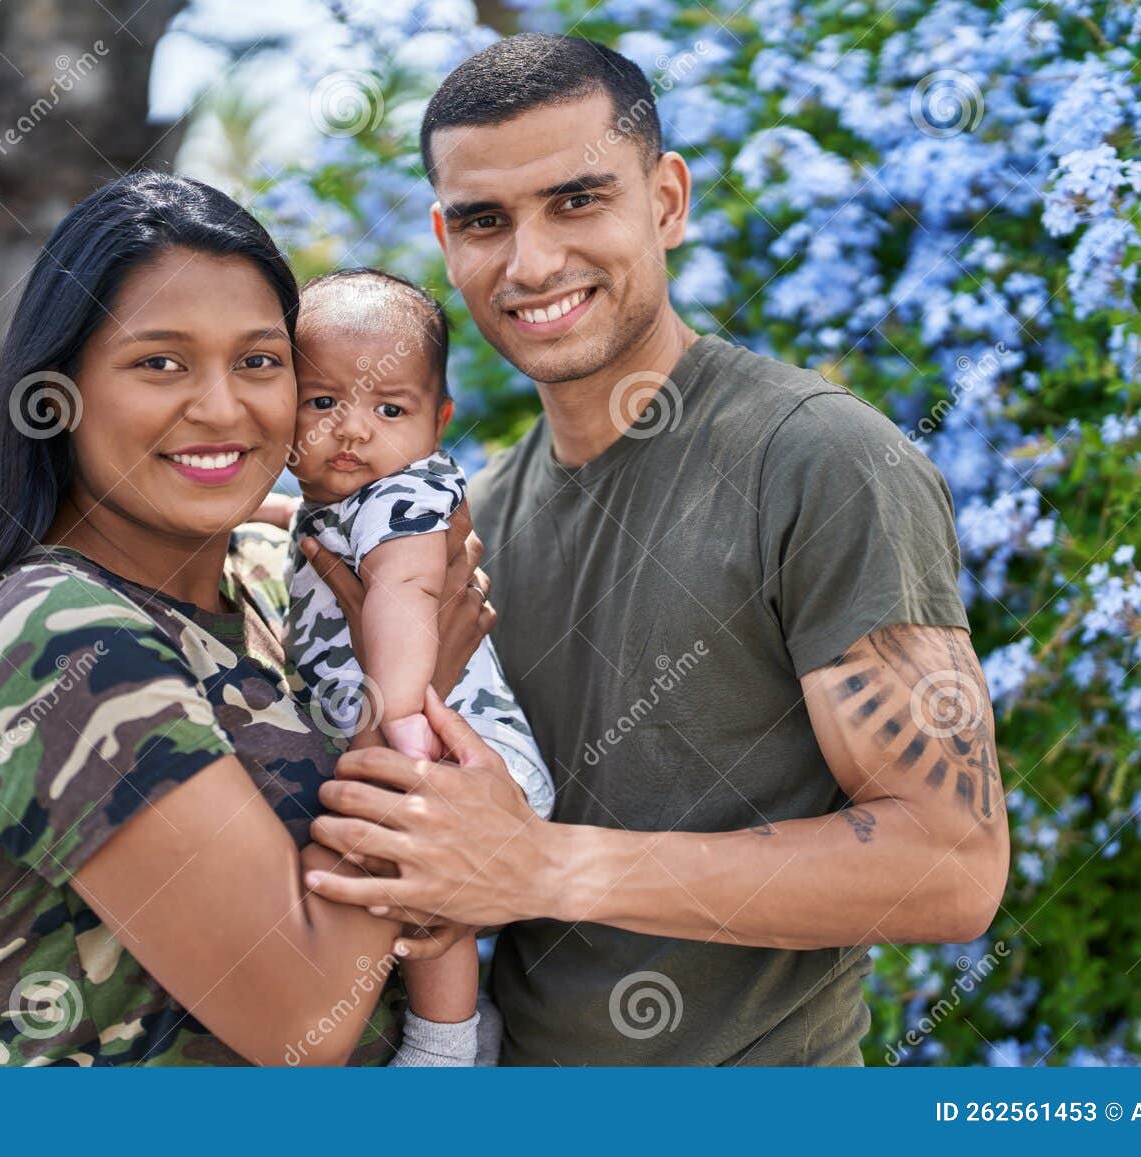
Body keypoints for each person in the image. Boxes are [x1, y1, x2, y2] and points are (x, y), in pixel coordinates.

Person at [302, 34, 1012, 1065]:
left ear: (667, 201)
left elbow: (950, 866)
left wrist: (544, 866)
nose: (531, 262)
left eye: (576, 200)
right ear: (446, 241)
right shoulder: (469, 521)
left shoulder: (818, 458)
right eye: (486, 220)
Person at [0, 172, 494, 1065]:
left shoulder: (269, 580)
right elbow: (300, 1024)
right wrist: (407, 696)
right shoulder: (57, 639)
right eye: (160, 363)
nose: (220, 408)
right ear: (58, 393)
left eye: (259, 361)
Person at [282, 267, 553, 1066]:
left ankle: (443, 1049)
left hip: (455, 750)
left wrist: (401, 716)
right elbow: (312, 528)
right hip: (420, 735)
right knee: (412, 894)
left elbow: (406, 591)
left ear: (438, 423)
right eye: (321, 401)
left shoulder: (407, 497)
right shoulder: (343, 502)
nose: (352, 429)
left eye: (389, 409)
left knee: (418, 888)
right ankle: (466, 1027)